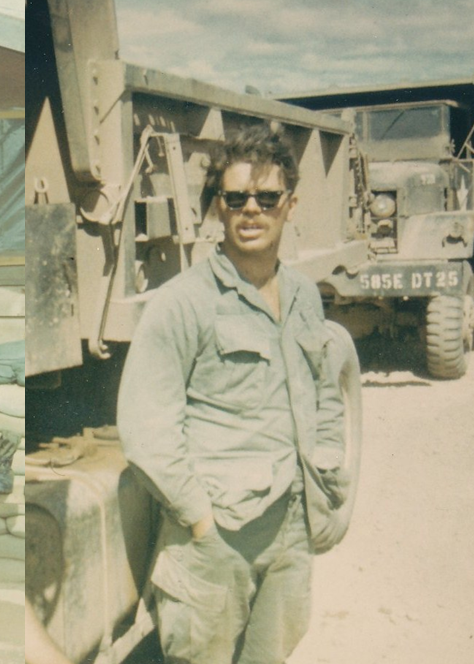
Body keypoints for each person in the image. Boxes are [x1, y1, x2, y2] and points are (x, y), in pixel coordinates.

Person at [116, 125, 346, 664]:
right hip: (215, 540)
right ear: (217, 206)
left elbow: (326, 397)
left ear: (290, 205)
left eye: (266, 198)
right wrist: (200, 524)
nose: (251, 210)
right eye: (236, 197)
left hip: (289, 532)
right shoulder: (183, 304)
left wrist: (328, 484)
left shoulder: (305, 297)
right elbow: (147, 430)